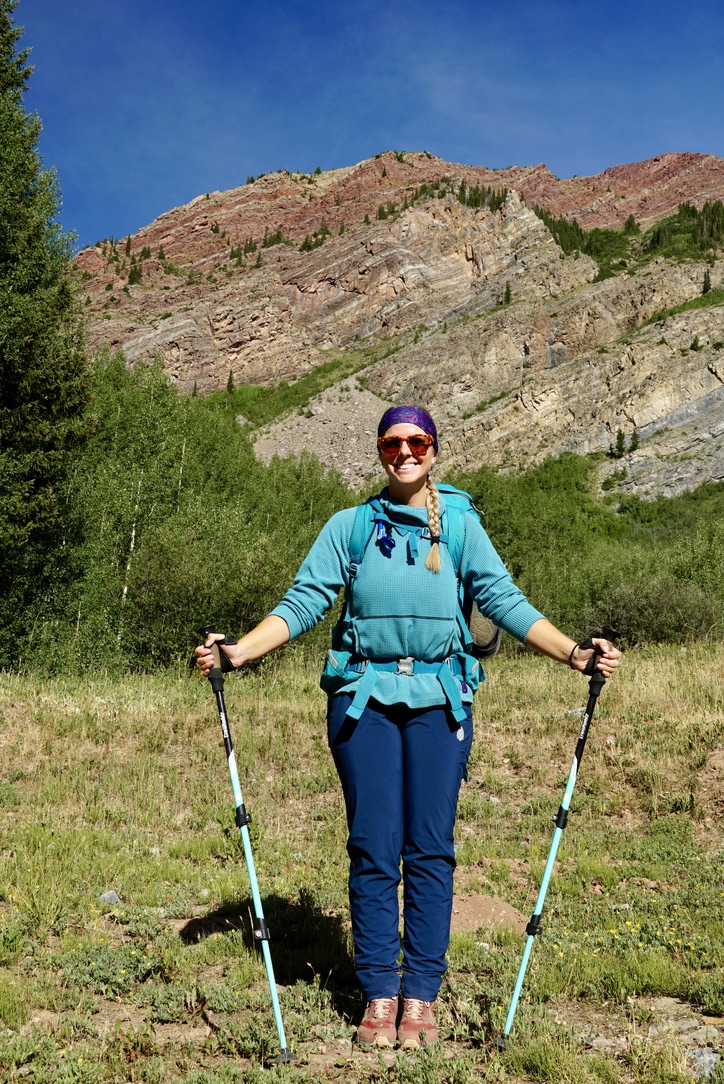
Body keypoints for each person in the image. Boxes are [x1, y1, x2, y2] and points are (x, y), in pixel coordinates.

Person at [195, 405, 620, 1051]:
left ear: (434, 449)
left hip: (440, 700)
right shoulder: (350, 527)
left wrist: (574, 653)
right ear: (378, 450)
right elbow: (305, 600)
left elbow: (504, 599)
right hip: (362, 700)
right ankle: (378, 991)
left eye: (416, 441)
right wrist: (240, 651)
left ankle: (420, 993)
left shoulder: (461, 527)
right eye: (392, 443)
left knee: (428, 847)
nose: (404, 452)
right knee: (372, 846)